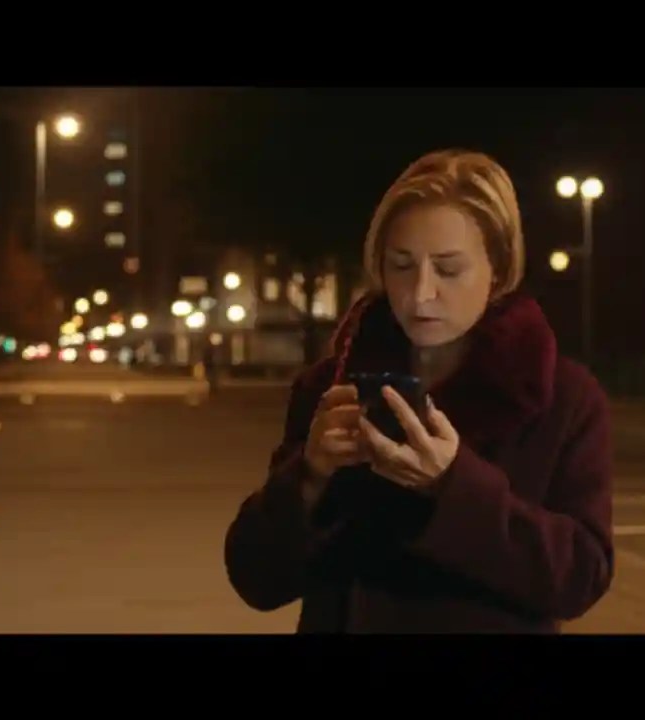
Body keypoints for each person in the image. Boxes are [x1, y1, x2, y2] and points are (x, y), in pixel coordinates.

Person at [223, 148, 615, 633]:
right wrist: (308, 477)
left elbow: (580, 577)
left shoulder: (564, 399)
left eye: (448, 269)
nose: (420, 292)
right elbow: (256, 580)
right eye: (401, 265)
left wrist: (451, 486)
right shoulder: (328, 389)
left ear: (498, 270)